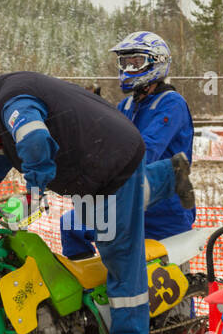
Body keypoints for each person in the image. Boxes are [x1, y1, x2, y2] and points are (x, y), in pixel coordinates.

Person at [0, 73, 194, 334]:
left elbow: (34, 141)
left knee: (117, 249)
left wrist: (34, 193)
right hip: (89, 166)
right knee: (105, 215)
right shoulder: (2, 108)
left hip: (109, 162)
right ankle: (170, 174)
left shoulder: (14, 103)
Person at [60, 32, 195, 258]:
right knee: (72, 223)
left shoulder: (171, 103)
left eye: (136, 63)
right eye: (125, 63)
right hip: (126, 202)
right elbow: (105, 140)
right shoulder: (128, 105)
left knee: (166, 285)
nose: (128, 69)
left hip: (164, 210)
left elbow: (145, 151)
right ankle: (89, 289)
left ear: (157, 62)